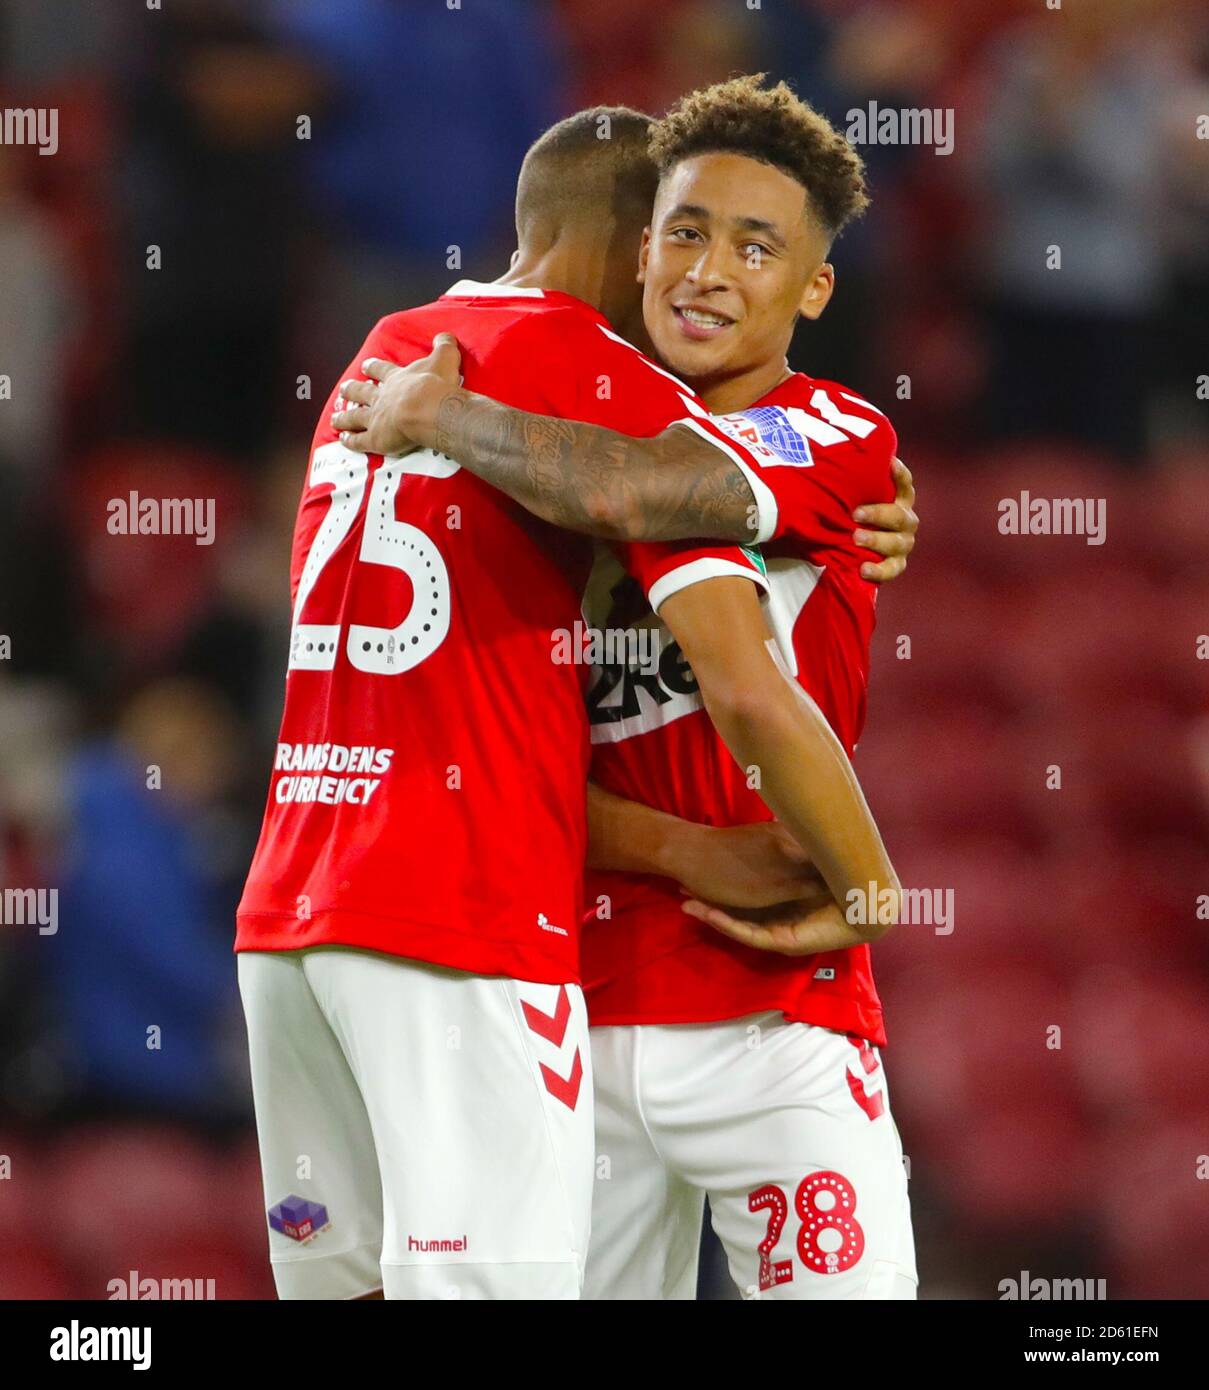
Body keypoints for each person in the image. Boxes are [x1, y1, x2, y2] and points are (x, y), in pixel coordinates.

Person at [238, 103, 914, 1301]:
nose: (706, 272)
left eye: (753, 249)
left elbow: (648, 492)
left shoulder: (824, 430)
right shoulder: (591, 404)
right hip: (560, 973)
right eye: (684, 233)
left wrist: (446, 414)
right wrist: (726, 857)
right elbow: (561, 744)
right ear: (639, 242)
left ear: (814, 288)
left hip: (762, 1015)